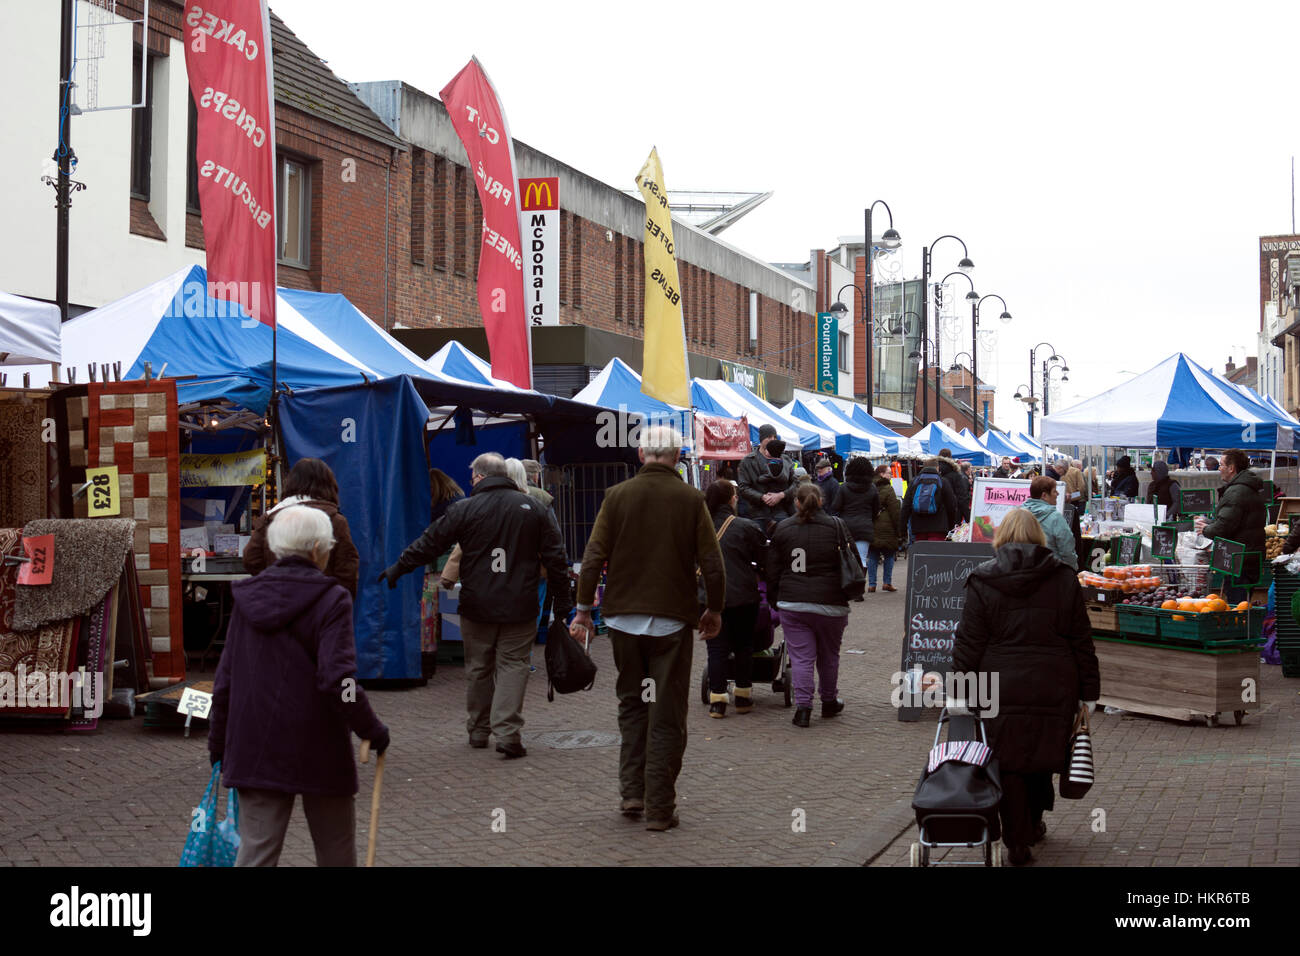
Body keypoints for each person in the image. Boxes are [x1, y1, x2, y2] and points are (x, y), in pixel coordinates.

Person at [209, 506, 389, 867]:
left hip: (255, 739)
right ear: (319, 550)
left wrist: (219, 745)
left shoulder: (246, 597)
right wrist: (370, 727)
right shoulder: (331, 597)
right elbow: (339, 679)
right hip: (317, 741)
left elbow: (225, 679)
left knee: (256, 853)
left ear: (276, 548)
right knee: (335, 851)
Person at [570, 426, 724, 830]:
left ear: (641, 454)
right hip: (672, 619)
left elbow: (592, 557)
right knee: (667, 713)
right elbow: (712, 561)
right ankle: (659, 806)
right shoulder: (691, 499)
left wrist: (584, 609)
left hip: (622, 619)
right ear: (676, 457)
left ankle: (631, 793)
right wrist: (715, 608)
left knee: (632, 704)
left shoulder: (616, 496)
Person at [379, 452, 572, 758]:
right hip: (520, 604)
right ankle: (508, 732)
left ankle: (479, 730)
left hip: (476, 603)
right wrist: (564, 601)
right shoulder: (534, 508)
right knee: (513, 665)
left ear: (480, 477)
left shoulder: (465, 509)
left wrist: (398, 568)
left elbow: (431, 542)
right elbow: (556, 558)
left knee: (479, 667)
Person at [951, 508, 1100, 866]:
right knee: (1043, 755)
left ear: (1000, 537)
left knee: (1007, 761)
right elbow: (1082, 639)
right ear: (1040, 536)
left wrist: (959, 688)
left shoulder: (982, 580)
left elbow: (969, 641)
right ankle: (1033, 824)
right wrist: (1090, 692)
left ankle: (1017, 841)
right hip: (1055, 682)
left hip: (998, 685)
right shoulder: (1064, 578)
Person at [767, 485, 849, 727]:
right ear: (821, 501)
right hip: (831, 602)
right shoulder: (836, 526)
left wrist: (775, 598)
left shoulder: (783, 528)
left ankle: (803, 708)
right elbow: (854, 561)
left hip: (793, 603)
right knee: (829, 656)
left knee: (801, 658)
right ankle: (829, 701)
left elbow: (771, 569)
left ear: (797, 503)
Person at [243, 457, 360, 597]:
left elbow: (251, 560)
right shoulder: (336, 521)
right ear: (328, 485)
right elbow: (347, 570)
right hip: (322, 606)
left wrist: (272, 584)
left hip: (278, 604)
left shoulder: (269, 519)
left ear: (291, 483)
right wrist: (337, 602)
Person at [702, 479, 769, 718]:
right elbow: (764, 560)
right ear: (731, 499)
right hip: (743, 596)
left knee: (716, 648)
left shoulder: (699, 526)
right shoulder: (746, 527)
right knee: (744, 646)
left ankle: (717, 701)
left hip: (710, 597)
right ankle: (743, 696)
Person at [1197, 449, 1267, 599]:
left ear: (1231, 468)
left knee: (1237, 606)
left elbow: (1224, 526)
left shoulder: (1236, 491)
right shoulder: (1246, 488)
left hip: (1240, 560)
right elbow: (1235, 520)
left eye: (1221, 465)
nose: (1219, 468)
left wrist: (1206, 529)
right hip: (1248, 557)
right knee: (1242, 603)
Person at [737, 425, 799, 532]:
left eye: (774, 437)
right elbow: (743, 487)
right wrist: (762, 497)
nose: (772, 440)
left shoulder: (785, 459)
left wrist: (781, 495)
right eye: (769, 437)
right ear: (761, 439)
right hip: (758, 513)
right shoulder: (748, 461)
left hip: (782, 512)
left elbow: (796, 484)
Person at [831, 457, 879, 582]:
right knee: (862, 558)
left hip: (846, 527)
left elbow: (835, 507)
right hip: (865, 526)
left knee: (847, 557)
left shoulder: (844, 488)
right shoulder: (873, 488)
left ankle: (849, 584)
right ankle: (859, 587)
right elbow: (876, 510)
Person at [1023, 476, 1078, 570]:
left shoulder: (1018, 514)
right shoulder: (1055, 518)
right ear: (1044, 495)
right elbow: (1067, 550)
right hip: (1051, 572)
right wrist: (1072, 570)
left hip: (1024, 572)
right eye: (1054, 491)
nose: (1057, 493)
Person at [900, 459, 959, 542]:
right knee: (934, 553)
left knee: (921, 553)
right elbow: (951, 506)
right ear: (938, 468)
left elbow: (906, 506)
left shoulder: (914, 482)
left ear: (923, 468)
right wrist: (950, 525)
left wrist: (902, 530)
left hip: (918, 527)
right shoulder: (943, 482)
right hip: (938, 527)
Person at [869, 464, 902, 593]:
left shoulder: (869, 487)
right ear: (882, 474)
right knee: (889, 554)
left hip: (872, 525)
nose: (891, 475)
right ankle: (887, 583)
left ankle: (872, 584)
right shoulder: (888, 489)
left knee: (873, 555)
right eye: (889, 473)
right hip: (887, 527)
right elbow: (895, 511)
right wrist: (899, 529)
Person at [937, 449, 971, 522]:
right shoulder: (955, 474)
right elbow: (962, 498)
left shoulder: (933, 471)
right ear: (950, 457)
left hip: (934, 514)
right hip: (952, 515)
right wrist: (968, 518)